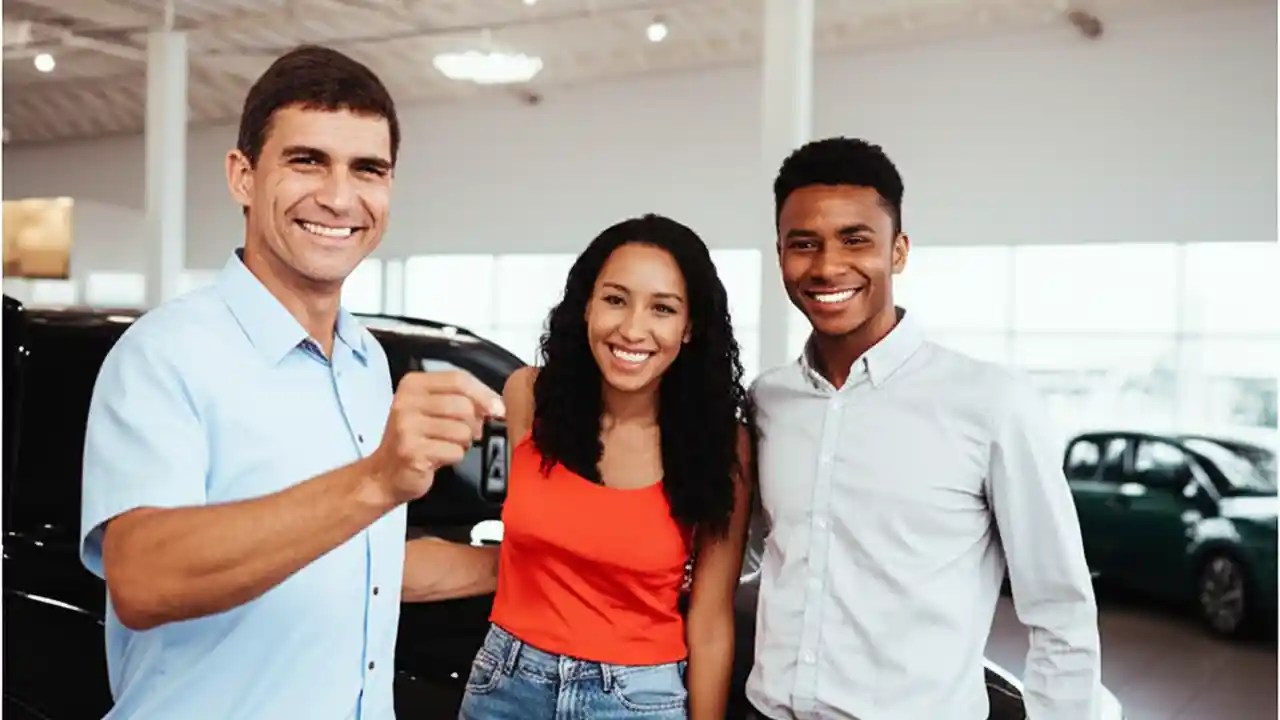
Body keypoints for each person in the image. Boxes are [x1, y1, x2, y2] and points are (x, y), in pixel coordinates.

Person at [79, 45, 503, 720]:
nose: (339, 197)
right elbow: (144, 578)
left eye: (368, 169)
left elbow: (359, 566)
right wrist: (376, 480)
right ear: (243, 176)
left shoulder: (364, 363)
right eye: (307, 161)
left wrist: (532, 565)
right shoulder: (165, 355)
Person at [745, 137, 1102, 720]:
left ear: (899, 251)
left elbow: (1059, 610)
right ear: (780, 253)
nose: (828, 265)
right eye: (803, 244)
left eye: (855, 240)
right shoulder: (768, 401)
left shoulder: (990, 402)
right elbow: (761, 557)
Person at [458, 214, 754, 720]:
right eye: (615, 299)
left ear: (690, 328)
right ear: (586, 307)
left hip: (636, 698)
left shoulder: (723, 444)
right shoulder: (530, 397)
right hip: (505, 684)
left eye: (662, 308)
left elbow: (709, 620)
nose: (633, 329)